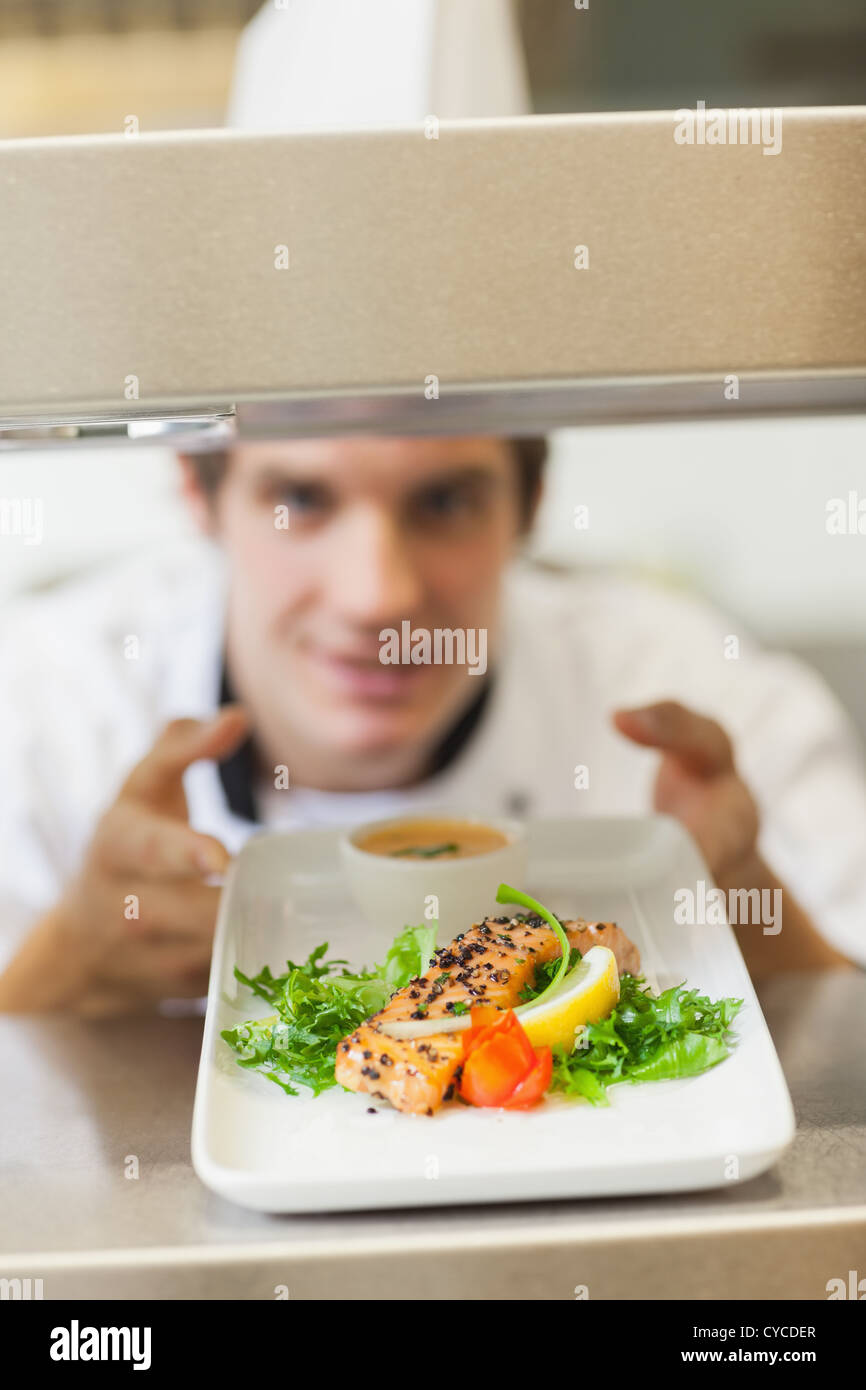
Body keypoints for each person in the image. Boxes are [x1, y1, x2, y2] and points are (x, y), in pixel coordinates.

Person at [0, 433, 861, 1016]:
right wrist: (69, 965)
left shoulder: (691, 687)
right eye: (300, 498)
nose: (378, 595)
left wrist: (745, 896)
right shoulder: (47, 702)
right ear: (199, 491)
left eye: (444, 501)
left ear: (529, 506)